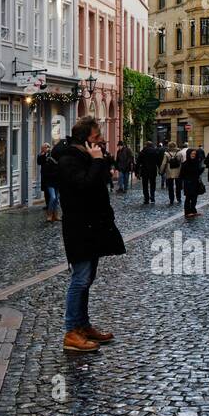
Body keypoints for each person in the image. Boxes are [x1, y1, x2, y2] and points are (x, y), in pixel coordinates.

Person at [55, 116, 126, 353]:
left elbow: (100, 182)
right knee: (80, 279)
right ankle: (71, 332)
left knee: (88, 278)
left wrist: (99, 161)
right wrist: (97, 162)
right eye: (97, 137)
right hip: (79, 228)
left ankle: (82, 325)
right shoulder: (68, 160)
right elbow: (84, 186)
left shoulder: (86, 157)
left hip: (92, 227)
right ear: (86, 139)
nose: (102, 140)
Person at [37, 142, 61, 224]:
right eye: (45, 147)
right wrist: (43, 154)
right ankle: (50, 214)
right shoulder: (44, 157)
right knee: (53, 197)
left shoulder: (55, 157)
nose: (47, 149)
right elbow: (40, 162)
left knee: (56, 199)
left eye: (48, 147)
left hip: (57, 180)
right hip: (49, 180)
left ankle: (56, 215)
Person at [179, 147, 205, 217]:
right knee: (188, 198)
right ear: (189, 154)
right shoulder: (185, 164)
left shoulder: (196, 163)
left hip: (195, 182)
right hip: (188, 183)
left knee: (194, 198)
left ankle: (193, 210)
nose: (193, 155)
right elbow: (181, 175)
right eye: (192, 154)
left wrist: (202, 170)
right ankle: (187, 212)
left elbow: (197, 173)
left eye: (194, 154)